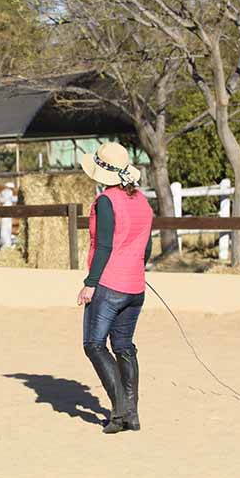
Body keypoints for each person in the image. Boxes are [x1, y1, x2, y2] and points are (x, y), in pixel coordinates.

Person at [77, 142, 153, 434]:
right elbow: (146, 245)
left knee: (94, 345)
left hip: (110, 285)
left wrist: (90, 283)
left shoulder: (107, 201)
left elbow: (104, 246)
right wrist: (137, 265)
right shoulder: (143, 201)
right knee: (123, 346)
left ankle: (120, 409)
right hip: (136, 285)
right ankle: (131, 414)